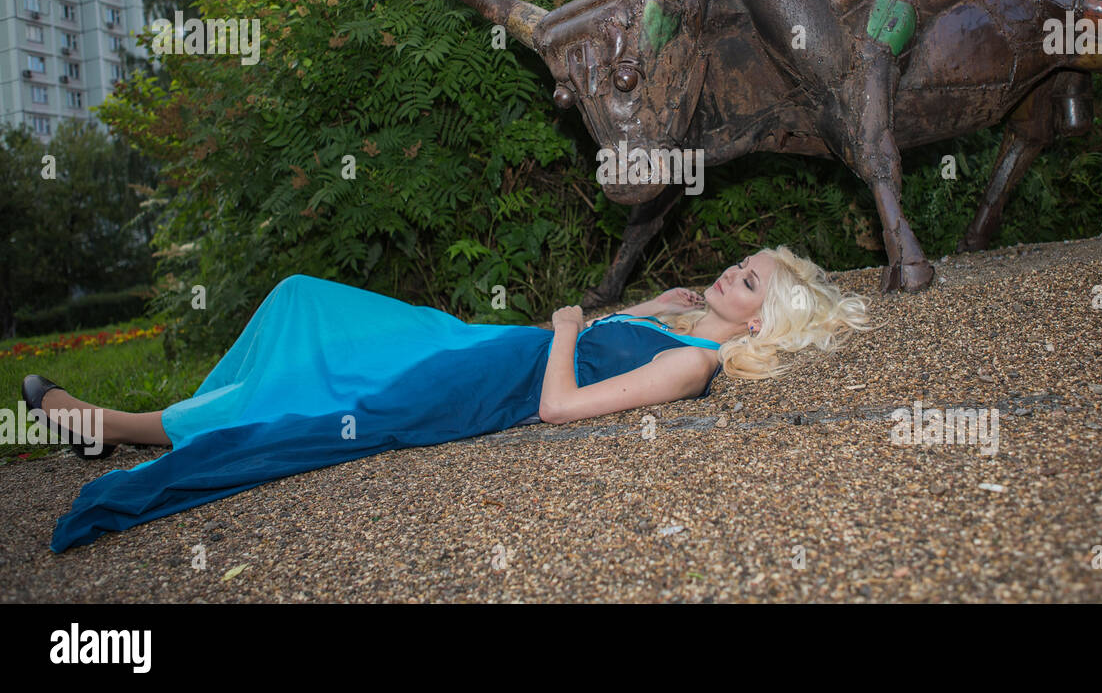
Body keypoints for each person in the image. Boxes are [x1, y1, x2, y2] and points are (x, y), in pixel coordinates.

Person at [25, 245, 873, 552]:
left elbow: (562, 408)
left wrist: (568, 329)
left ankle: (120, 433)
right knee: (304, 302)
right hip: (481, 345)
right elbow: (612, 331)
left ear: (763, 316)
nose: (730, 271)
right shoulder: (684, 320)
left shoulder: (694, 369)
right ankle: (138, 426)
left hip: (490, 383)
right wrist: (649, 308)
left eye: (747, 278)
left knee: (325, 417)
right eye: (740, 265)